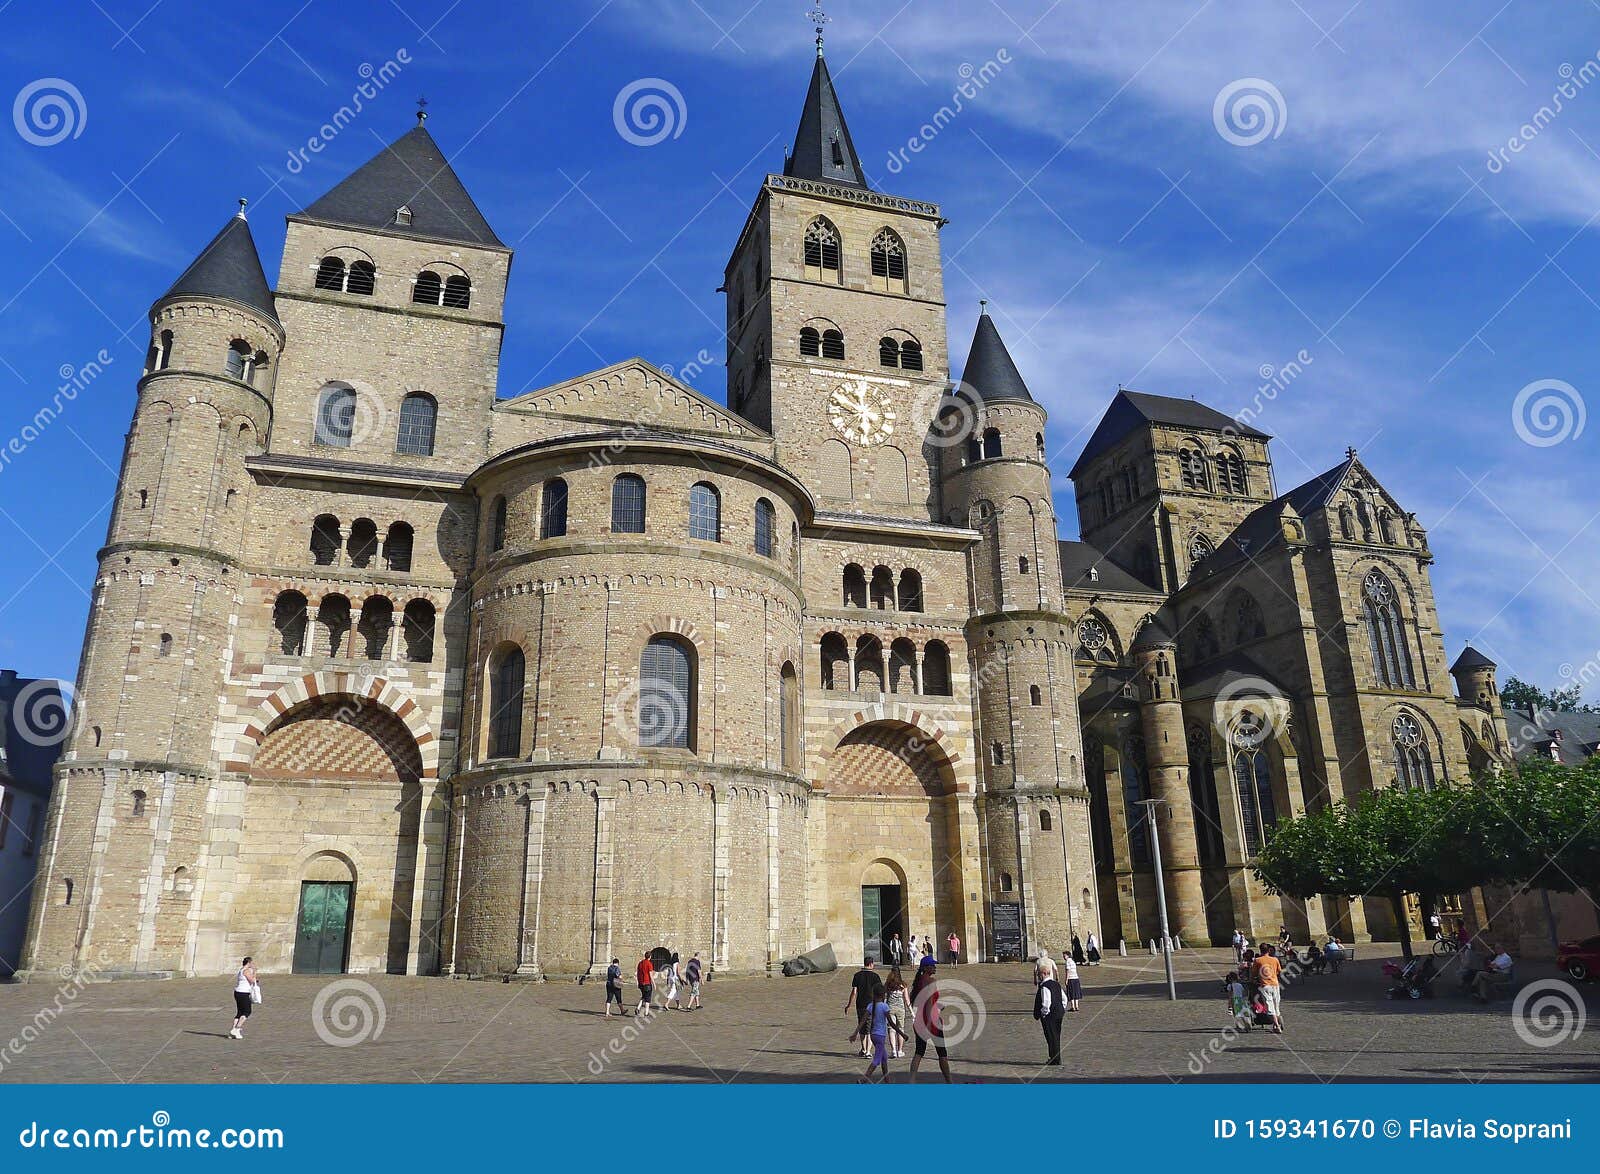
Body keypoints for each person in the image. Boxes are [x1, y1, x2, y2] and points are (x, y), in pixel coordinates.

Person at [907, 957, 953, 1083]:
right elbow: (928, 1004)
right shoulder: (931, 981)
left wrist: (937, 1006)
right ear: (926, 968)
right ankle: (949, 1081)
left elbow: (920, 1002)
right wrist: (929, 1023)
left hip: (919, 1020)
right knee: (942, 1053)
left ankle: (912, 1081)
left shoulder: (918, 982)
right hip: (932, 1021)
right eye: (932, 965)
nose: (934, 967)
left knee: (919, 1052)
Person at [1033, 960, 1066, 1065]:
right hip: (1058, 1013)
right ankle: (1055, 1057)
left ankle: (1054, 1058)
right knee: (1056, 1035)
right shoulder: (1056, 984)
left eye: (1039, 974)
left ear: (1043, 974)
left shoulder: (1045, 986)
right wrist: (1061, 1008)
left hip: (1050, 1015)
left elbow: (1046, 1003)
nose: (1038, 977)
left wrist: (1043, 1013)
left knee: (1051, 1037)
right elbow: (1064, 999)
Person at [846, 958, 878, 1057]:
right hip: (871, 1004)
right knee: (870, 1028)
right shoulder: (875, 976)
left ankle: (863, 1049)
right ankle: (868, 1051)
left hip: (860, 1004)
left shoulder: (857, 975)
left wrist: (849, 1005)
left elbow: (854, 992)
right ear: (871, 964)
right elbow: (878, 992)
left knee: (861, 1025)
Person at [1252, 943, 1284, 1034]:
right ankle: (1276, 1023)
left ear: (1260, 950)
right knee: (1276, 1005)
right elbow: (1279, 971)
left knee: (1269, 1006)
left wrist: (1254, 979)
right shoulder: (1275, 959)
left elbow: (1254, 973)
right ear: (1269, 950)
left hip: (1265, 985)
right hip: (1275, 984)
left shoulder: (1257, 960)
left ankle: (1277, 1025)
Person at [229, 957, 258, 1040]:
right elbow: (252, 981)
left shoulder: (241, 970)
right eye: (252, 963)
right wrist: (255, 972)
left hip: (238, 992)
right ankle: (237, 1029)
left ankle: (232, 1032)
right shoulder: (246, 971)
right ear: (248, 963)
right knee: (247, 1011)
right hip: (243, 993)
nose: (253, 964)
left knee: (240, 1012)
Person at [884, 967, 909, 1059]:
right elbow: (907, 999)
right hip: (901, 1009)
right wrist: (911, 1012)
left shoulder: (888, 984)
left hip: (890, 1008)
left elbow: (884, 997)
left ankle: (893, 1050)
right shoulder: (903, 985)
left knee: (891, 1029)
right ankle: (900, 1050)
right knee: (900, 1029)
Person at [635, 951, 655, 1018]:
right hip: (647, 983)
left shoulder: (640, 963)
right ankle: (646, 1013)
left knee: (644, 996)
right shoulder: (649, 964)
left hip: (641, 983)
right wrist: (654, 983)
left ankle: (638, 1008)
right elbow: (650, 975)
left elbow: (638, 973)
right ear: (650, 957)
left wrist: (638, 981)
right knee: (648, 999)